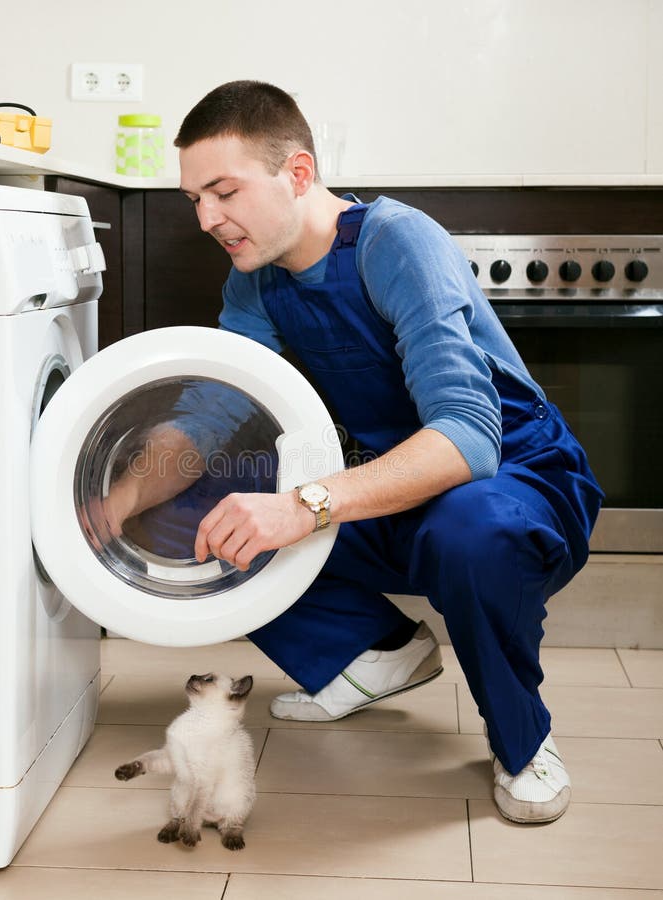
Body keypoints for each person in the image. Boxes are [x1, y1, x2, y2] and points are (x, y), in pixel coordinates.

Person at [157, 79, 603, 825]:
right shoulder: (255, 279)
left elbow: (465, 436)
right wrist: (104, 503)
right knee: (186, 507)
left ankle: (523, 741)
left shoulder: (398, 242)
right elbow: (208, 417)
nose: (207, 218)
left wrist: (304, 505)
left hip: (513, 478)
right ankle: (373, 653)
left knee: (470, 530)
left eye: (223, 191)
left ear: (296, 173)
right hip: (389, 480)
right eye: (193, 199)